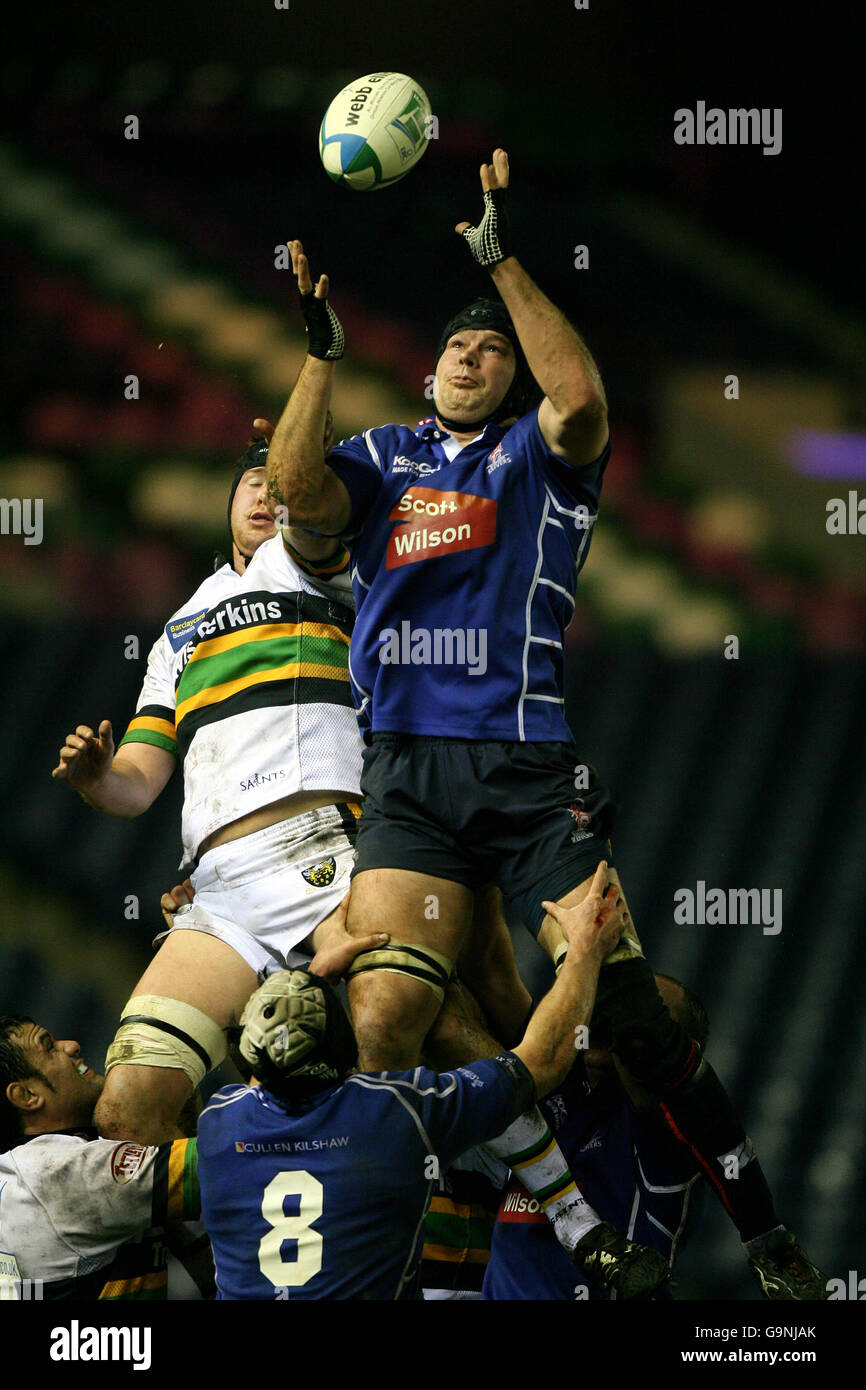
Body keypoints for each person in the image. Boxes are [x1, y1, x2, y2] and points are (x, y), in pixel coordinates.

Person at [263, 149, 826, 1298]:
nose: (473, 356)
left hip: (523, 772)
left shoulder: (536, 460)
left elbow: (580, 400)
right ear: (428, 369)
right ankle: (483, 1252)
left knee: (630, 1012)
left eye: (492, 349)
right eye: (457, 344)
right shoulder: (383, 456)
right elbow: (298, 495)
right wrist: (319, 356)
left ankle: (766, 1236)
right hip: (409, 776)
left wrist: (499, 261)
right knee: (384, 1014)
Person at [51, 427, 384, 1145]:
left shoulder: (323, 565)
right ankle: (222, 1256)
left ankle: (556, 1206)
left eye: (284, 482)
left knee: (398, 1052)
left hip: (323, 848)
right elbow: (136, 787)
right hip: (220, 889)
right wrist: (95, 779)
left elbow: (317, 512)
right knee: (124, 1115)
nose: (268, 493)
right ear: (227, 499)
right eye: (253, 481)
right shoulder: (179, 627)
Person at [196, 862, 670, 1299]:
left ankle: (577, 1222)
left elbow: (272, 1065)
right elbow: (539, 1060)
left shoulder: (221, 1122)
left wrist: (215, 924)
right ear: (348, 1053)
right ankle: (576, 1221)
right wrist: (585, 950)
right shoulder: (395, 1109)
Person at [483, 974, 706, 1300]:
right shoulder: (558, 1094)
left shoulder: (673, 1133)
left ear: (683, 1053)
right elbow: (489, 978)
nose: (613, 1015)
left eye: (645, 1011)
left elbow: (655, 1091)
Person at [0, 1014, 207, 1300]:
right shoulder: (61, 1172)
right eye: (49, 1048)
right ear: (27, 1096)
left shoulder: (23, 1173)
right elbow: (222, 1166)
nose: (71, 1046)